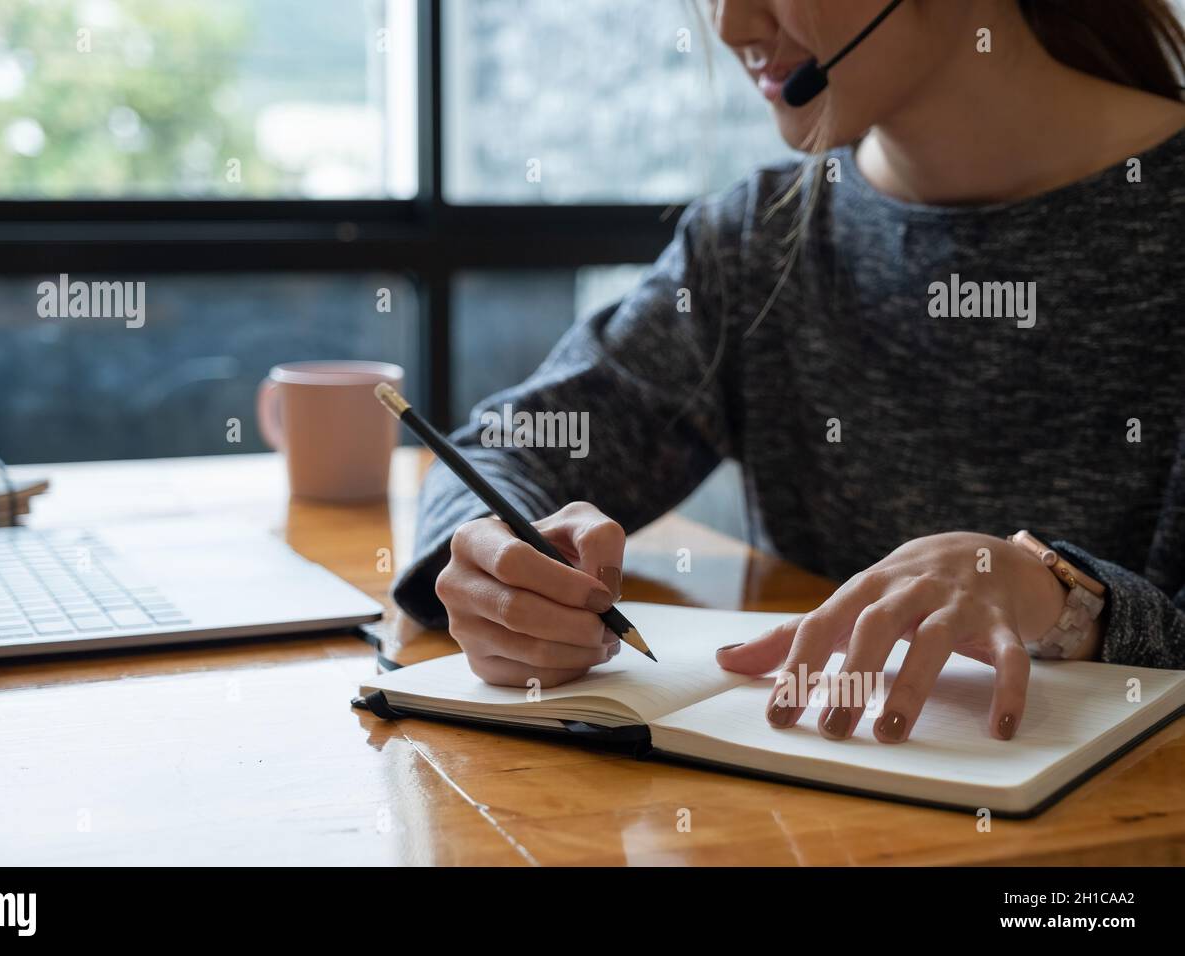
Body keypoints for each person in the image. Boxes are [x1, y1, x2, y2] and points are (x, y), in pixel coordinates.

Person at [392, 0, 1185, 744]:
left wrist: (1063, 599)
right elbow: (506, 448)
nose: (734, 22)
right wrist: (496, 567)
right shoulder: (755, 243)